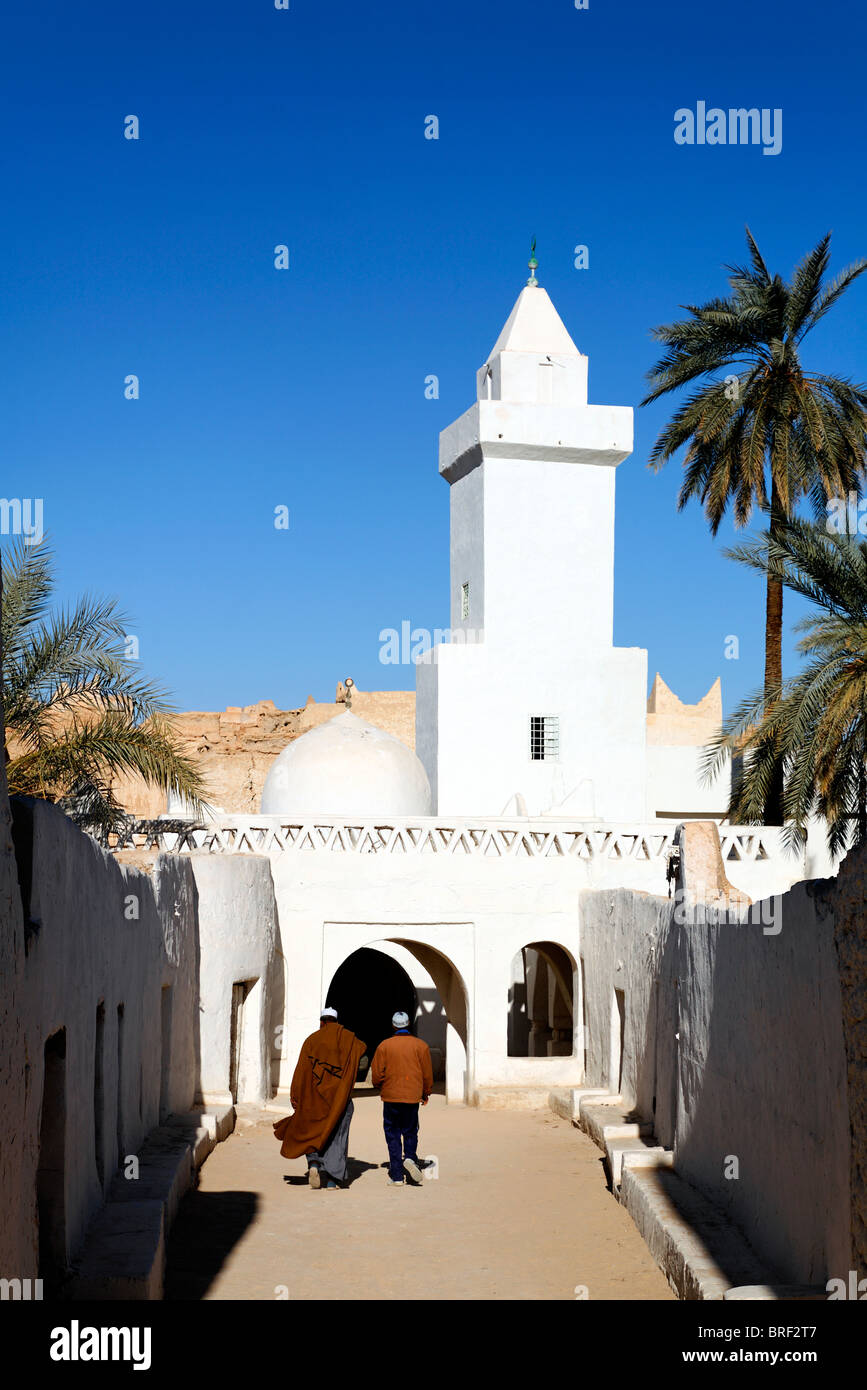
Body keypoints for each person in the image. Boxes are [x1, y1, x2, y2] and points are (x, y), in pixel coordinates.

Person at [273, 1007, 365, 1189]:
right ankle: (332, 1180)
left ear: (322, 1022)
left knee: (310, 1130)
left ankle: (314, 1164)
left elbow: (301, 1072)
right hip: (340, 1099)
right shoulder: (349, 1040)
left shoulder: (311, 1041)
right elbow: (362, 1054)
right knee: (337, 1135)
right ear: (336, 1021)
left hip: (314, 1099)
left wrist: (296, 1097)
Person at [370, 1010, 433, 1186]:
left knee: (392, 1133)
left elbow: (376, 1074)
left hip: (391, 1096)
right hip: (412, 1097)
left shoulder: (384, 1045)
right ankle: (411, 1159)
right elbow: (427, 1073)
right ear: (409, 1024)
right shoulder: (421, 1046)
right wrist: (425, 1092)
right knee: (411, 1130)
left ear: (393, 1025)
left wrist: (381, 1086)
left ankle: (397, 1175)